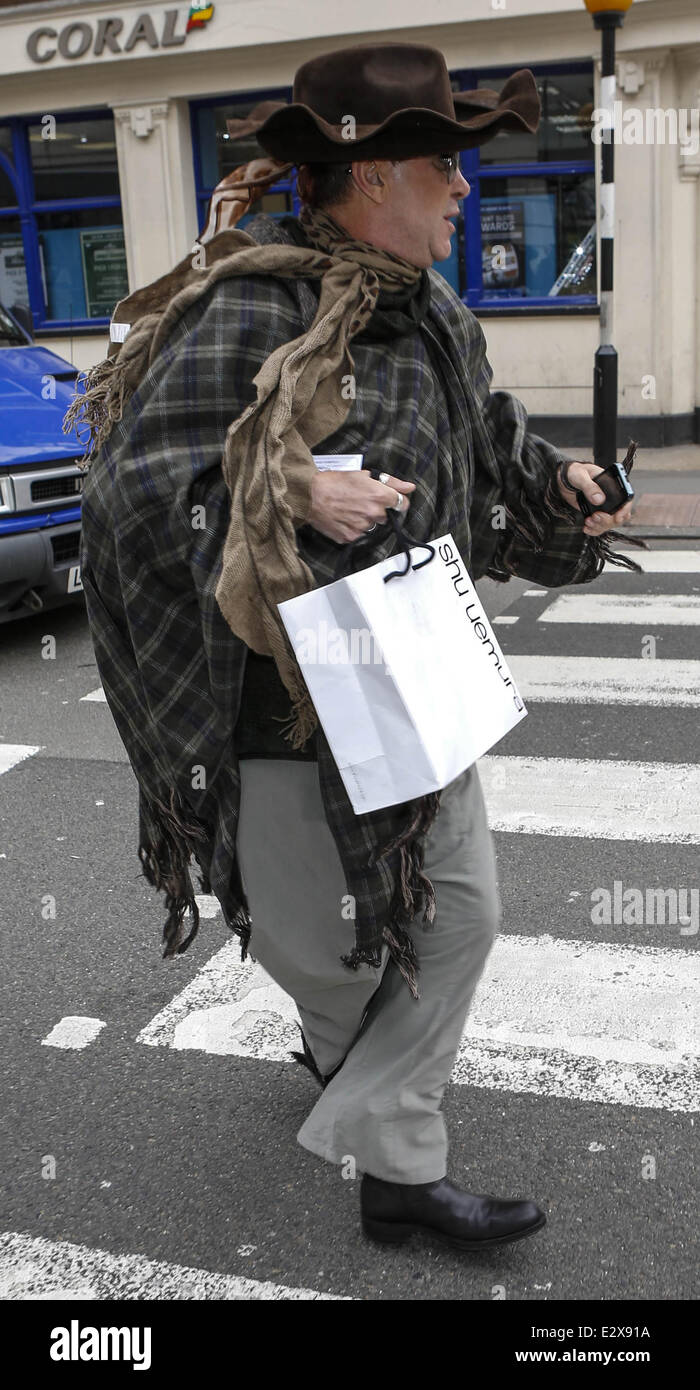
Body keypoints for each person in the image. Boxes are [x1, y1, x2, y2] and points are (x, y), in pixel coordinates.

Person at [72, 42, 638, 1255]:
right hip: (278, 692)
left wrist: (568, 486)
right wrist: (284, 489)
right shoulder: (251, 305)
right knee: (311, 938)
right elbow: (132, 491)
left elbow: (489, 452)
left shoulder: (429, 312)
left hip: (408, 658)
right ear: (371, 176)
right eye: (443, 165)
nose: (465, 190)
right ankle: (391, 1157)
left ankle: (367, 1114)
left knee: (459, 913)